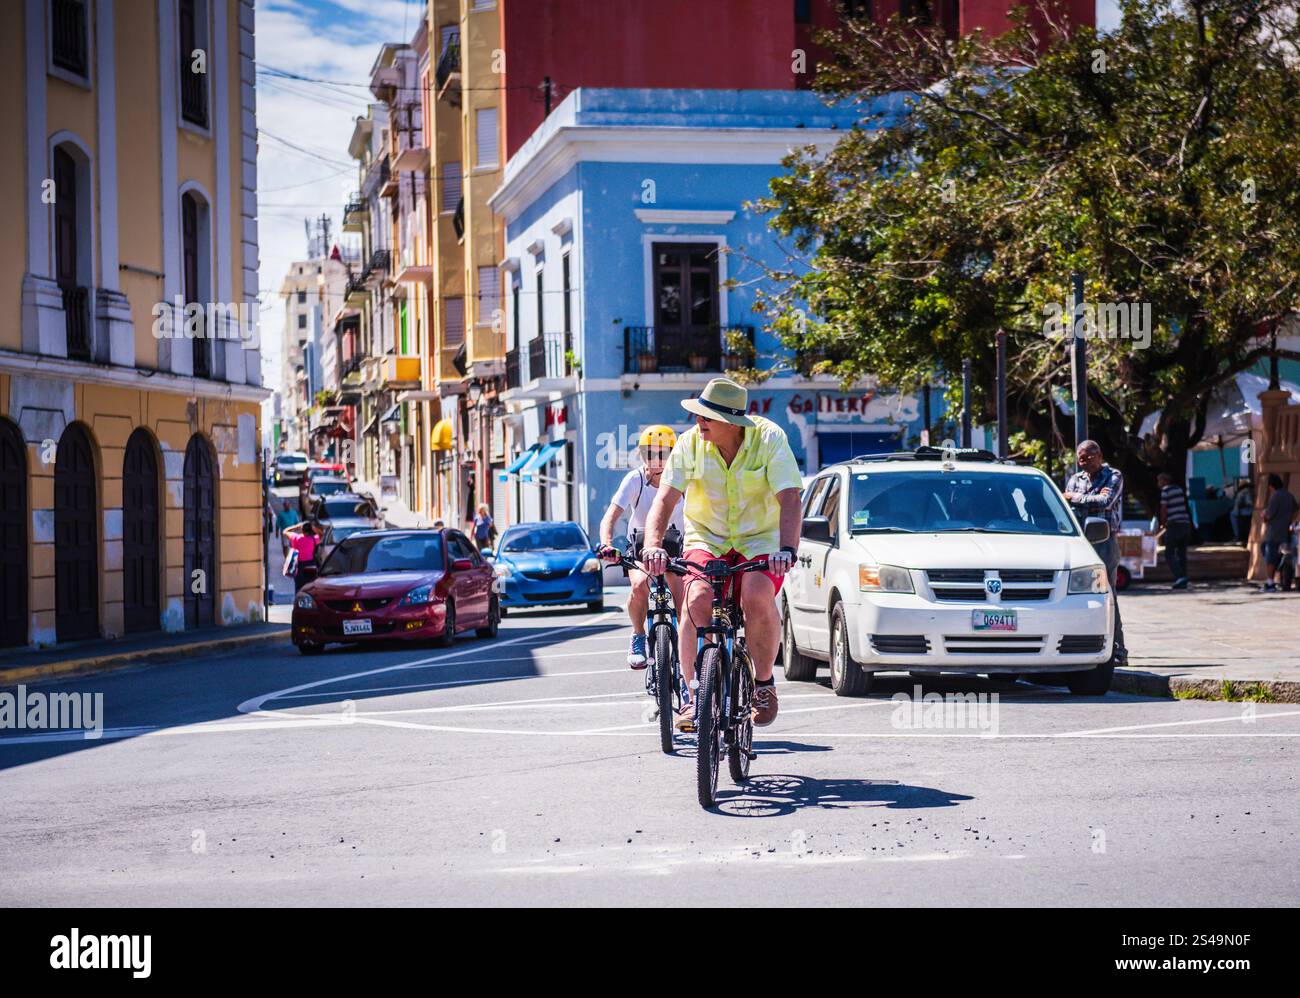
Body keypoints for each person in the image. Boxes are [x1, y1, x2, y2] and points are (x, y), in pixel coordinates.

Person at [641, 378, 803, 731]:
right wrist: (652, 545)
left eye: (707, 416)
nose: (699, 421)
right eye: (698, 414)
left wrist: (787, 549)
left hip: (759, 538)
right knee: (695, 599)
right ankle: (692, 694)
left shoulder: (769, 439)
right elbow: (665, 500)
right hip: (707, 537)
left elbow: (790, 498)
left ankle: (763, 684)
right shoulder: (689, 444)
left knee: (757, 596)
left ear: (732, 422)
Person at [596, 425, 687, 668]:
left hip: (676, 546)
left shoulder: (683, 480)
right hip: (640, 546)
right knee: (638, 584)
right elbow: (610, 517)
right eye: (649, 453)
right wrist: (606, 545)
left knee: (683, 596)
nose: (655, 459)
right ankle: (638, 635)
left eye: (662, 453)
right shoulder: (634, 479)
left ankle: (687, 652)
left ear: (673, 454)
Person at [1063, 440, 1128, 665]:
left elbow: (1106, 502)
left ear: (1098, 455)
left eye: (1087, 458)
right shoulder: (1075, 478)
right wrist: (1081, 501)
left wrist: (1077, 499)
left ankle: (1118, 648)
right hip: (1079, 542)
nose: (1083, 462)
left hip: (1105, 541)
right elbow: (1066, 504)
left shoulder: (1113, 475)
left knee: (1108, 594)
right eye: (1080, 458)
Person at [1259, 473, 1297, 593]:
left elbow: (1269, 514)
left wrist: (1263, 515)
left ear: (1271, 486)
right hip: (1286, 532)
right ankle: (1284, 581)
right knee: (1285, 557)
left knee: (1270, 556)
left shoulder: (1275, 497)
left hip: (1274, 533)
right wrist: (1290, 520)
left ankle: (1270, 583)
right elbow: (1296, 509)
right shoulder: (1289, 495)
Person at [1157, 472, 1191, 589]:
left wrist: (1162, 524)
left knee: (1169, 553)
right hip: (1185, 523)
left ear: (1165, 481)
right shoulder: (1179, 490)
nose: (1158, 484)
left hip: (1174, 524)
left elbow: (1163, 509)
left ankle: (1180, 576)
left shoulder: (1165, 491)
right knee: (1182, 553)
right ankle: (1184, 578)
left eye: (1159, 481)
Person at [290, 521, 320, 592]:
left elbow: (285, 531)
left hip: (299, 565)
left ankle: (299, 600)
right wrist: (314, 528)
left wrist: (296, 526)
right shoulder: (315, 539)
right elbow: (322, 533)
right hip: (311, 565)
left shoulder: (296, 538)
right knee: (310, 585)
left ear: (302, 530)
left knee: (299, 586)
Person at [1231, 480, 1254, 547]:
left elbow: (1250, 502)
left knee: (1233, 514)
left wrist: (1241, 506)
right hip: (1248, 510)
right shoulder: (1249, 490)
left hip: (1248, 511)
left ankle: (1238, 536)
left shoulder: (1245, 491)